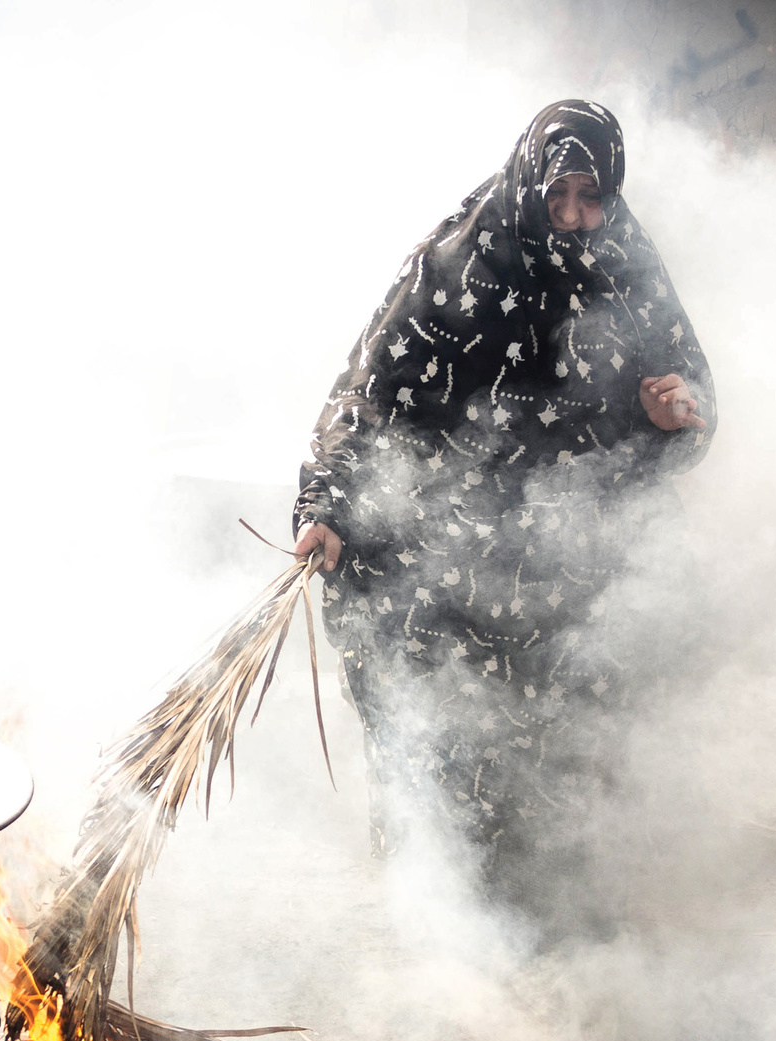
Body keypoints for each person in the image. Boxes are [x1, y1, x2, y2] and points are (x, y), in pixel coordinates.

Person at [291, 99, 714, 911]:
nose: (572, 218)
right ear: (529, 182)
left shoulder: (626, 262)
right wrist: (329, 502)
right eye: (558, 196)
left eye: (590, 198)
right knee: (434, 743)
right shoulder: (461, 257)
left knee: (558, 760)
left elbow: (691, 404)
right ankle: (434, 910)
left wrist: (672, 415)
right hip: (442, 540)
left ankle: (541, 899)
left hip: (566, 557)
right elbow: (368, 395)